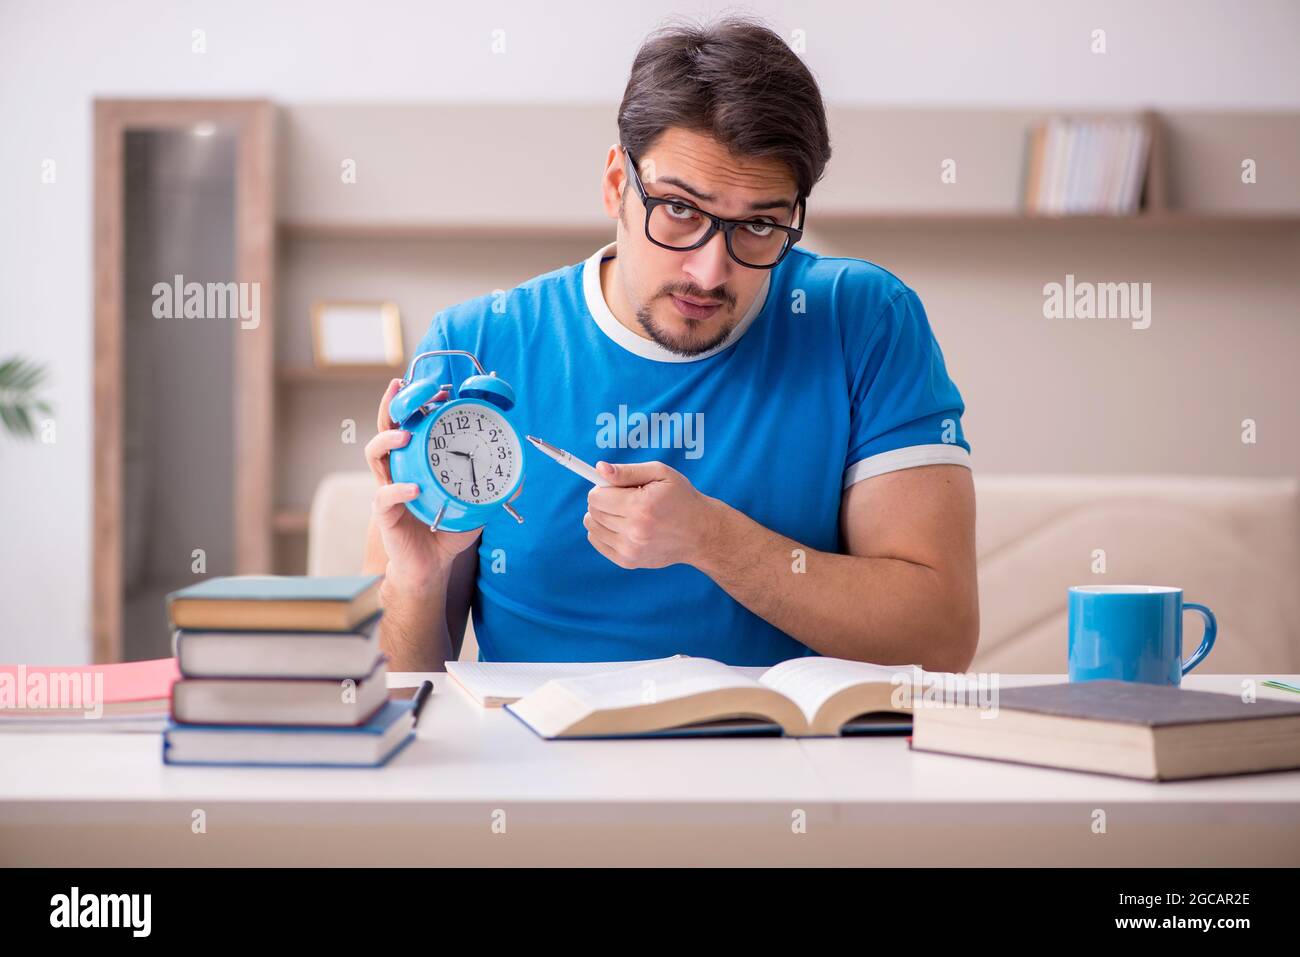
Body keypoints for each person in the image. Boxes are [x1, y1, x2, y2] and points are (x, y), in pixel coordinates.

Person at [363, 16, 977, 672]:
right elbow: (399, 702)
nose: (711, 271)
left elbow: (939, 638)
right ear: (615, 185)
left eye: (761, 224)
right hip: (537, 769)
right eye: (681, 209)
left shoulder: (865, 320)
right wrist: (416, 583)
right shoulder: (474, 346)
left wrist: (714, 541)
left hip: (795, 766)